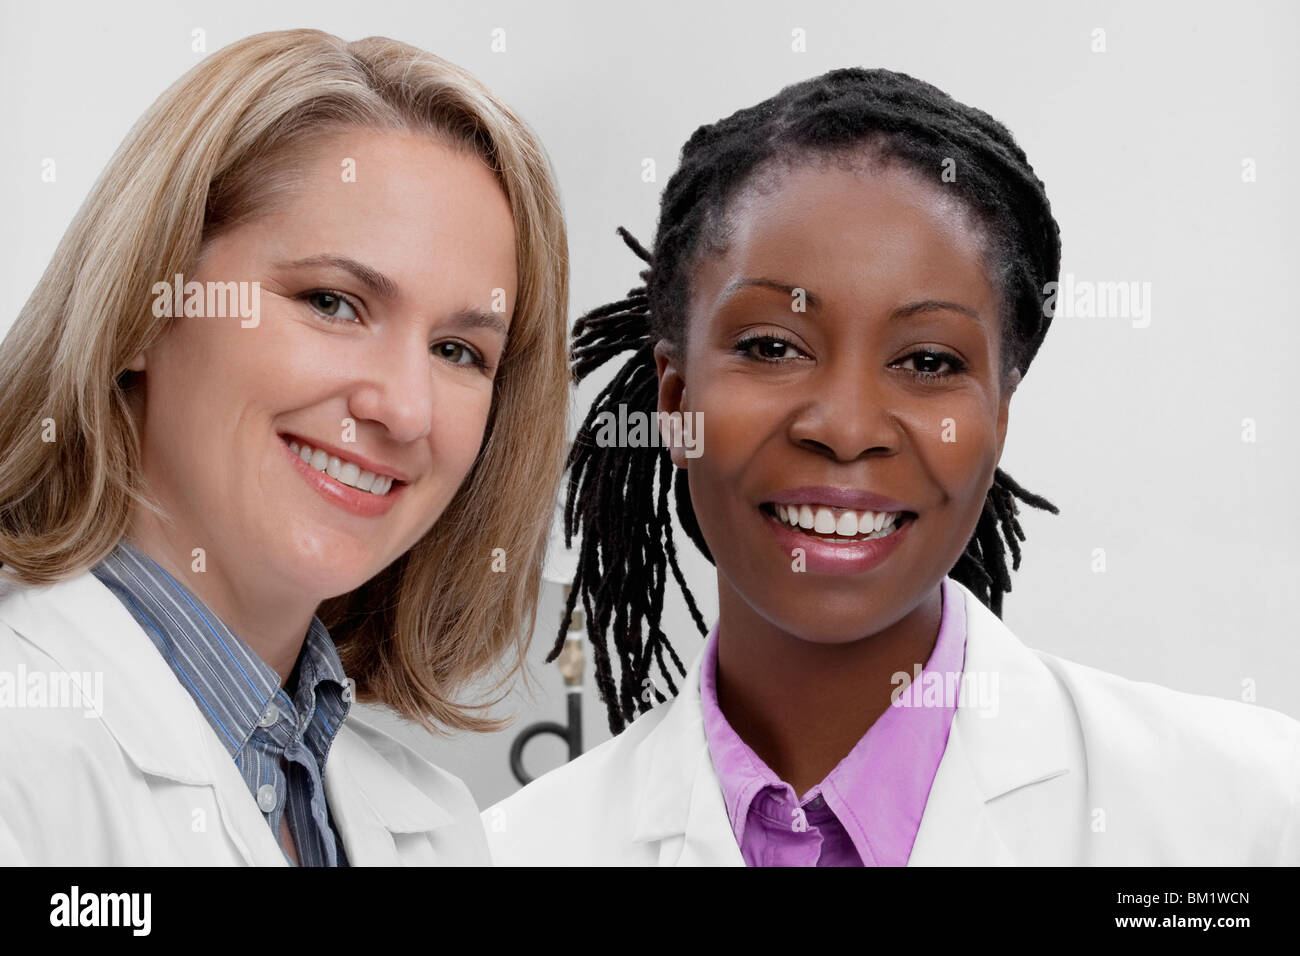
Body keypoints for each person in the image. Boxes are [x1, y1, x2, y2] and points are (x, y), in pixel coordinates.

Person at [483, 67, 1300, 865]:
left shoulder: (1252, 818)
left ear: (999, 415)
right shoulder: (505, 855)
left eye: (930, 361)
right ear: (674, 401)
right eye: (771, 347)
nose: (844, 428)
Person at [0, 28, 569, 865]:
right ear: (144, 308)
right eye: (333, 303)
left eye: (458, 352)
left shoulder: (435, 826)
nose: (405, 409)